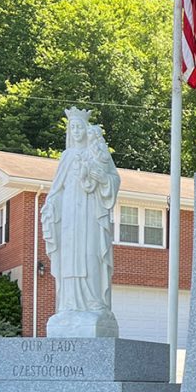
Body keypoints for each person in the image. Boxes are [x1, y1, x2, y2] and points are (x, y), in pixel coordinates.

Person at [41, 108, 121, 336]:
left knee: (90, 255)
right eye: (72, 127)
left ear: (86, 129)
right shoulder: (66, 157)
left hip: (90, 213)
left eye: (79, 127)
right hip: (68, 215)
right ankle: (69, 305)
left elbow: (114, 179)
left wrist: (101, 178)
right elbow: (57, 189)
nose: (76, 131)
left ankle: (95, 303)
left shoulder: (97, 152)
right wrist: (50, 206)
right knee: (69, 259)